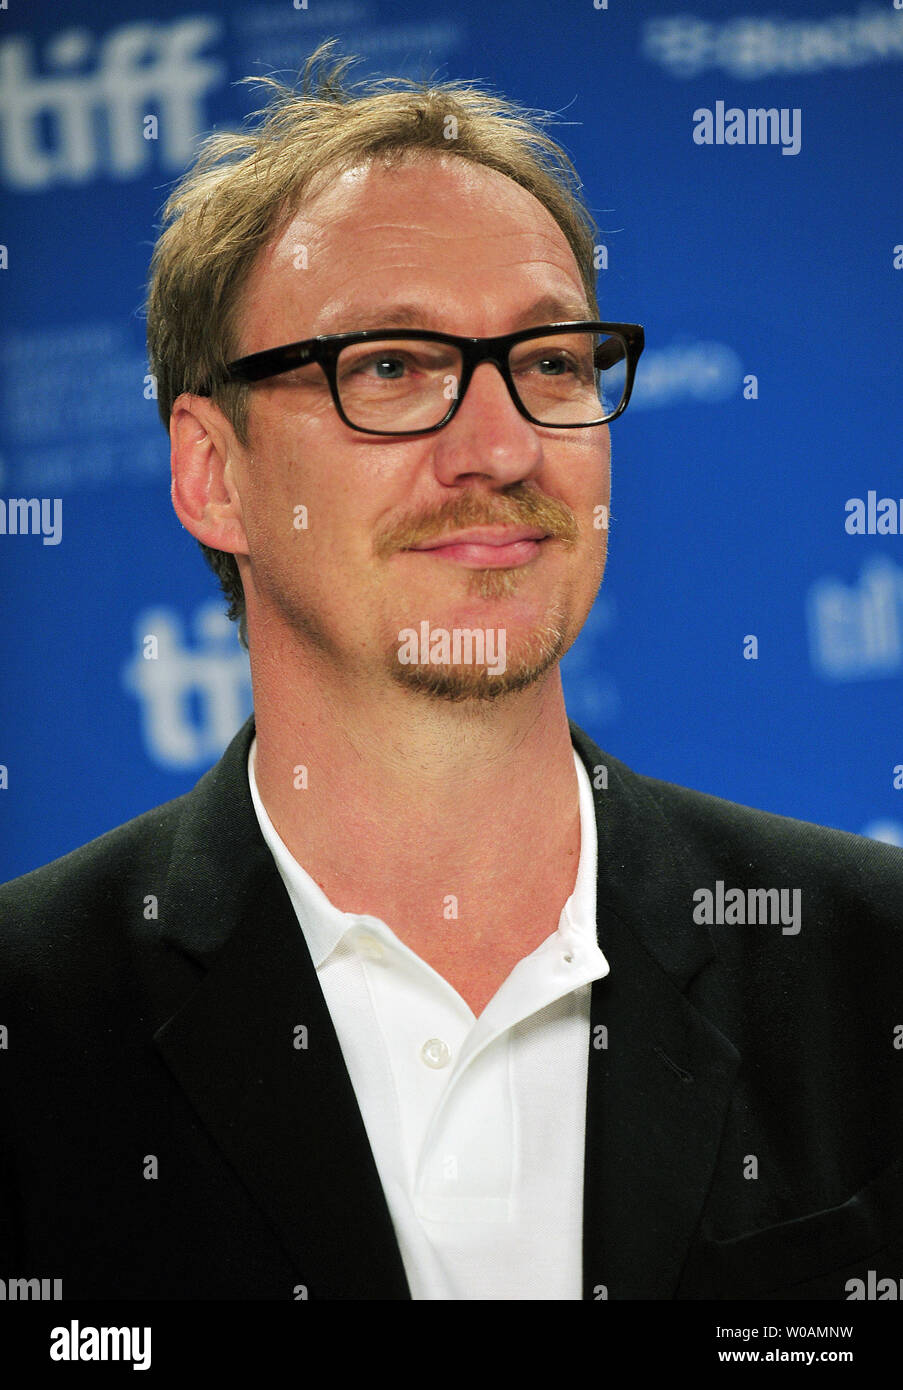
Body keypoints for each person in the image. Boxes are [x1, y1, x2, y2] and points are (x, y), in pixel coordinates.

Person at [1, 42, 901, 1302]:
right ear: (214, 475)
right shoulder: (29, 1023)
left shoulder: (874, 962)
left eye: (551, 364)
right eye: (388, 368)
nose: (501, 444)